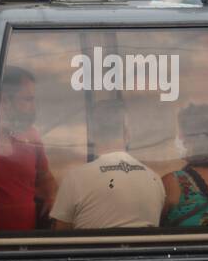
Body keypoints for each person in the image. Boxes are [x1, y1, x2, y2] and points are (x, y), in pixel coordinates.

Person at [50, 99, 164, 231]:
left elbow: (61, 235)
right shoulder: (155, 180)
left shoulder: (76, 179)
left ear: (91, 135)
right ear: (127, 135)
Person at [0, 66, 56, 232]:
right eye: (27, 100)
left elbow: (45, 177)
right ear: (4, 100)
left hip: (25, 244)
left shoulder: (31, 135)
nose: (33, 107)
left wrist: (51, 197)